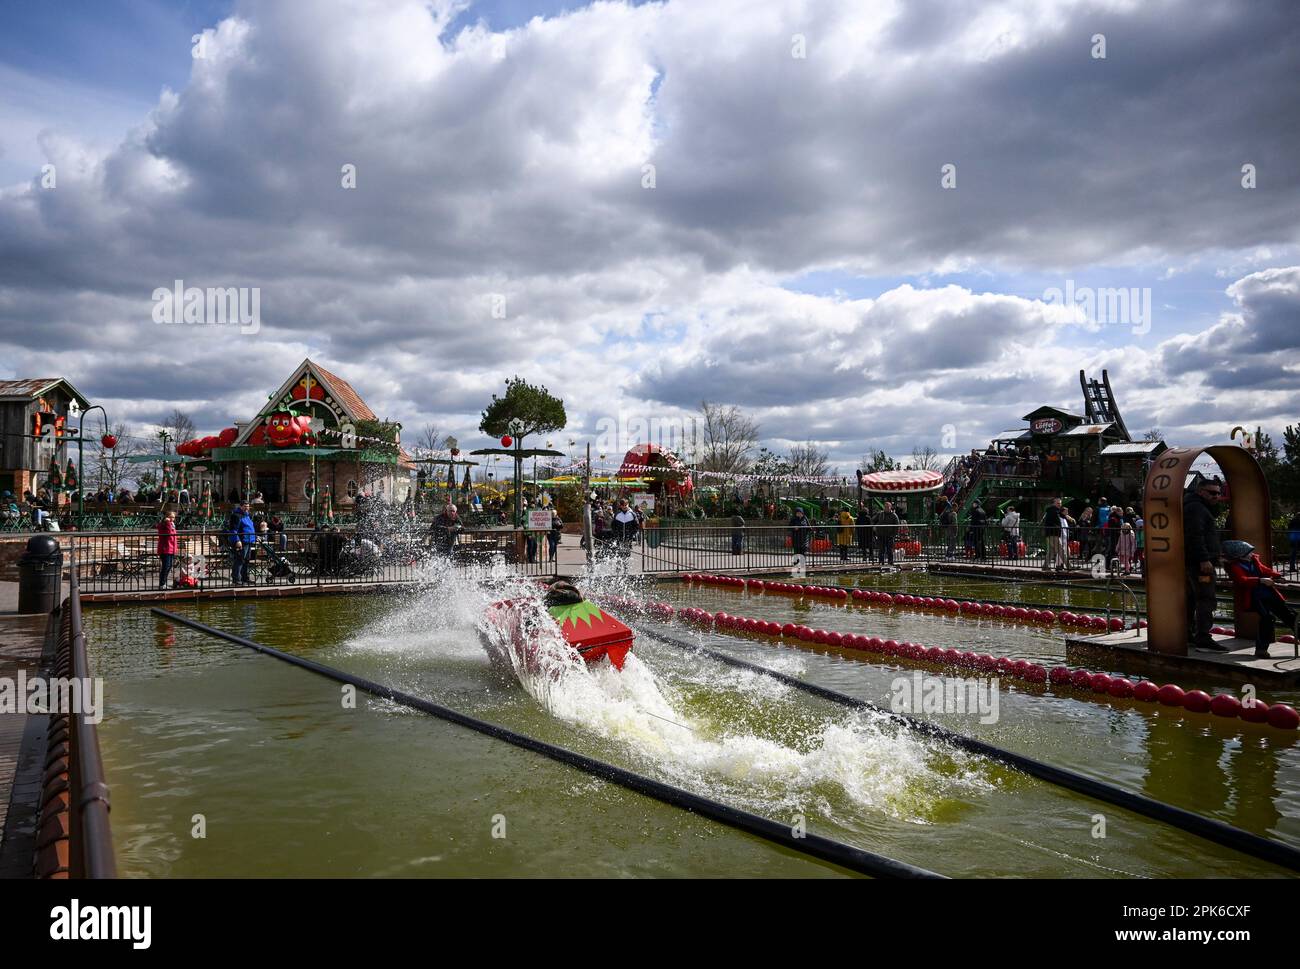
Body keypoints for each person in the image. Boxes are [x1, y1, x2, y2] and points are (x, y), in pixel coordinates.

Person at [1223, 540, 1298, 658]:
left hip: (1268, 593)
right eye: (1248, 552)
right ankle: (1261, 649)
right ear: (1239, 555)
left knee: (1289, 615)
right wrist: (1260, 580)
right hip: (1255, 597)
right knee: (1267, 618)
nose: (1251, 554)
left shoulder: (1254, 561)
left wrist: (1277, 575)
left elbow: (1264, 570)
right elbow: (1242, 580)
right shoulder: (1234, 567)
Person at [1184, 479, 1225, 651]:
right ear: (1201, 492)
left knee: (1193, 598)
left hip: (1197, 561)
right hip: (1200, 564)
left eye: (1218, 493)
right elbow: (1196, 535)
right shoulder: (1196, 508)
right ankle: (1203, 636)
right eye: (1212, 493)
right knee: (1206, 598)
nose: (1216, 496)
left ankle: (1190, 632)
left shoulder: (1196, 506)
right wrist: (1204, 559)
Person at [226, 501, 256, 585]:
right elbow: (233, 530)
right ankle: (236, 579)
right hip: (242, 541)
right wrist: (237, 540)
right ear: (241, 506)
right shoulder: (236, 515)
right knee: (240, 560)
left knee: (246, 560)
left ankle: (244, 578)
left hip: (249, 540)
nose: (247, 508)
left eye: (248, 506)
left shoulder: (247, 515)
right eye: (245, 506)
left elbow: (250, 527)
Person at [157, 508, 178, 589]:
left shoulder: (172, 525)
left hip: (171, 549)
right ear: (167, 517)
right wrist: (167, 522)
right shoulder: (164, 525)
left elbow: (174, 538)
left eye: (173, 517)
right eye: (171, 517)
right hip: (165, 549)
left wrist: (175, 549)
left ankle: (164, 583)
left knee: (169, 567)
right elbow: (169, 533)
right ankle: (162, 584)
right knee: (165, 567)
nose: (173, 519)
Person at [1041, 498, 1065, 571]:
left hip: (1052, 533)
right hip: (1053, 533)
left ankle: (1045, 566)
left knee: (1052, 551)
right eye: (1058, 503)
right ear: (1053, 503)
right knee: (1061, 550)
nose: (1059, 504)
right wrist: (1058, 528)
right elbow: (1051, 523)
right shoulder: (1052, 511)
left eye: (1060, 503)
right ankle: (1070, 566)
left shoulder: (1054, 511)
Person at [1289, 511, 1300, 575]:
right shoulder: (1297, 521)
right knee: (1293, 553)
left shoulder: (1292, 521)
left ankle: (1292, 567)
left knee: (1293, 554)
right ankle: (1292, 567)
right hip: (1297, 538)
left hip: (1293, 538)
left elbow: (1289, 528)